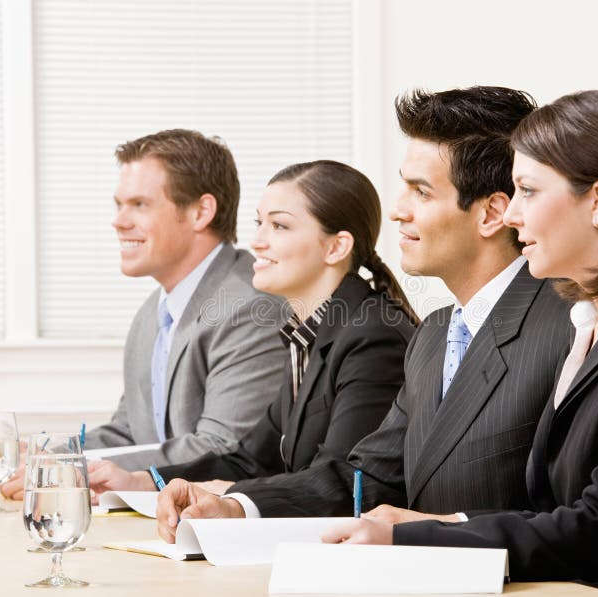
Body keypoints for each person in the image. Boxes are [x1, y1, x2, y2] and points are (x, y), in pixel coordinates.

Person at [325, 90, 598, 595]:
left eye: (527, 191)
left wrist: (415, 537)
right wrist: (429, 524)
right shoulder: (588, 323)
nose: (511, 215)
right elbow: (551, 512)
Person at [155, 86, 571, 542]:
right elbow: (368, 476)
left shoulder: (568, 326)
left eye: (421, 191)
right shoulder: (435, 334)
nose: (397, 210)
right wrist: (236, 507)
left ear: (491, 214)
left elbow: (579, 519)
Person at [87, 160, 417, 496]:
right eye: (260, 223)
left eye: (279, 226)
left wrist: (235, 499)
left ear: (335, 247)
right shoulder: (307, 337)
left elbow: (343, 484)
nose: (257, 241)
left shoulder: (372, 337)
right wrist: (144, 480)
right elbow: (248, 461)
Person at [2, 129, 288, 500]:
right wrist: (52, 454)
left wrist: (73, 467)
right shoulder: (154, 312)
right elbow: (129, 431)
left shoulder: (251, 306)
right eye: (119, 204)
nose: (119, 221)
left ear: (201, 212)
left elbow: (224, 448)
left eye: (139, 204)